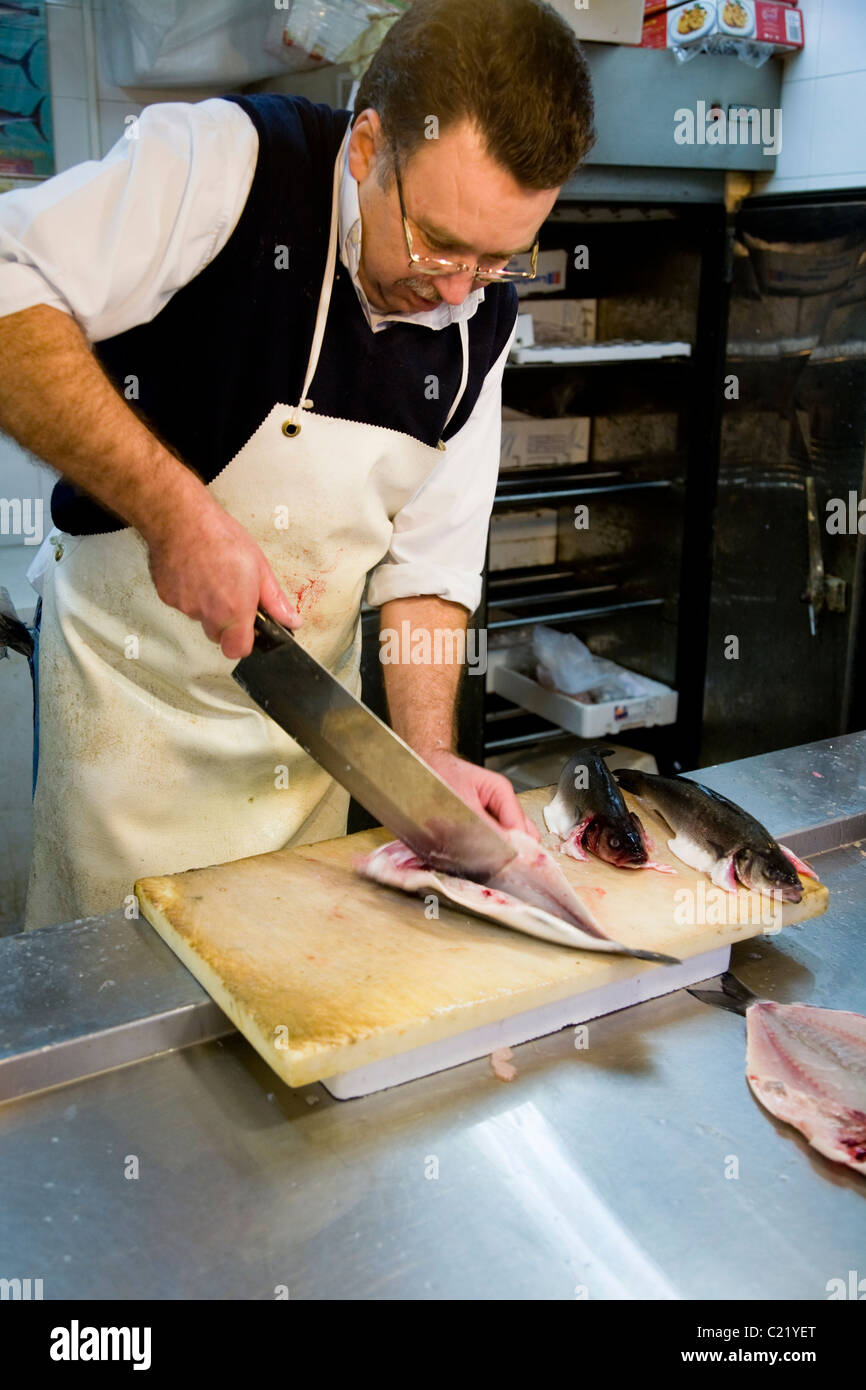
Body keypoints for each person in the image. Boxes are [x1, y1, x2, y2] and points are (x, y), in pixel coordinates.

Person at [0, 0, 595, 931]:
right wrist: (174, 512)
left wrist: (428, 760)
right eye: (437, 240)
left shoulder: (479, 314)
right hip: (126, 718)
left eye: (497, 259)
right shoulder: (228, 164)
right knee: (118, 1001)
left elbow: (429, 567)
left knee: (285, 987)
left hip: (303, 745)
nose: (455, 289)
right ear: (367, 147)